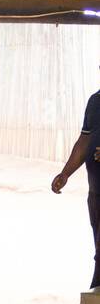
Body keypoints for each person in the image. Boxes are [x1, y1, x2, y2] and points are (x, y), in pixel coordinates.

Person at [52, 83, 100, 290]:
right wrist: (65, 173)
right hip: (96, 190)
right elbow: (84, 141)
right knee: (98, 242)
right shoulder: (95, 101)